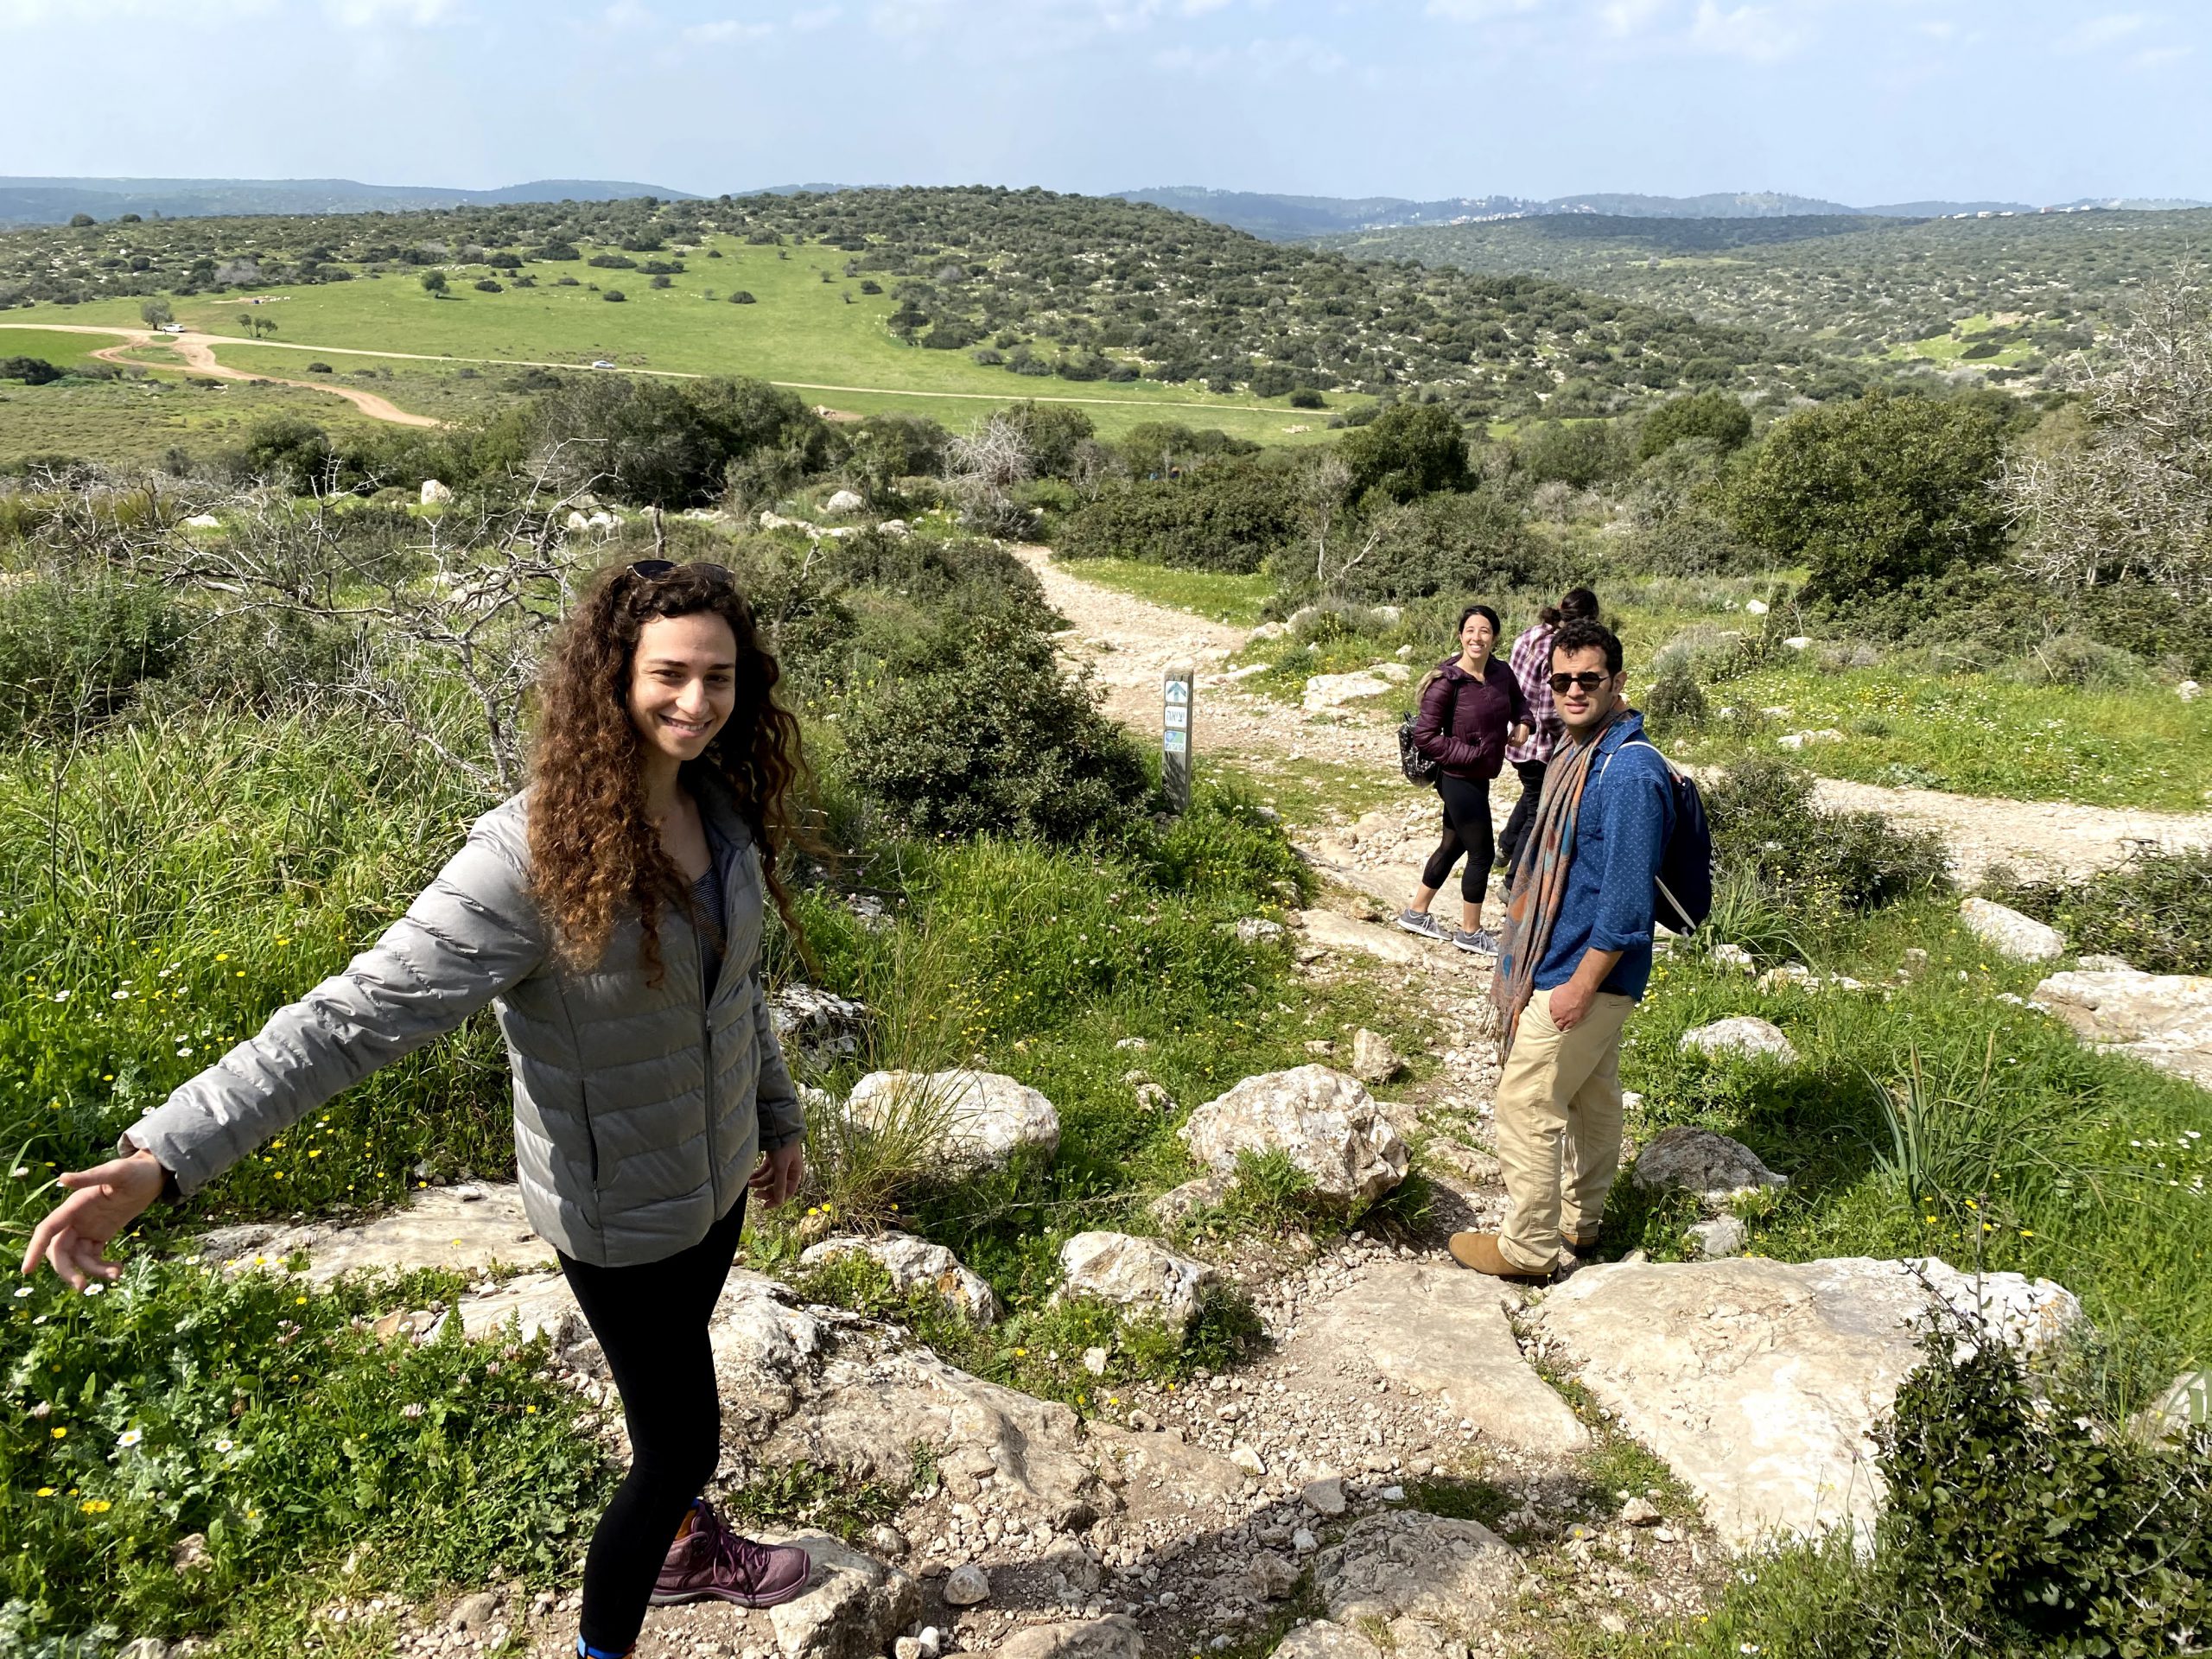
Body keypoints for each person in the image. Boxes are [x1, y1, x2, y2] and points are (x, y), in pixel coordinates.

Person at [22, 560, 817, 1659]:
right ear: (612, 680)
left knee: (666, 1411)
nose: (696, 701)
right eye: (668, 674)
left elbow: (737, 995)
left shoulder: (716, 816)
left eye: (717, 677)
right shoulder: (527, 863)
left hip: (715, 1179)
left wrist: (776, 1120)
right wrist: (165, 1155)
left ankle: (682, 1542)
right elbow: (347, 1021)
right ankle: (609, 1638)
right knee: (680, 1447)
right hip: (620, 1217)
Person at [1450, 616, 1674, 1281]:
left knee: (1526, 1102)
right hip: (1576, 965)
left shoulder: (1628, 772)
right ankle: (1581, 1220)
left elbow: (1628, 904)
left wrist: (1580, 985)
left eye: (1589, 679)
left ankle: (1526, 1249)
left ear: (1617, 682)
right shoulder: (1580, 755)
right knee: (1592, 1096)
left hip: (1586, 975)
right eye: (1562, 680)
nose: (1574, 690)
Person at [1397, 604, 1531, 956]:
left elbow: (1520, 703)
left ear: (1494, 637)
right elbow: (1425, 737)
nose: (1477, 637)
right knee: (1482, 853)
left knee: (1453, 845)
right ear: (1460, 636)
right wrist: (1471, 754)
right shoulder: (1447, 682)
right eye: (1470, 630)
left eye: (1484, 631)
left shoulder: (1501, 673)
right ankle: (1470, 932)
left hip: (1480, 775)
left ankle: (1416, 912)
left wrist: (1524, 723)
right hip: (1457, 776)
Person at [1497, 588, 1599, 884]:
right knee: (1537, 812)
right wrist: (1575, 739)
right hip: (1537, 743)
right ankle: (1513, 882)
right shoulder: (1559, 651)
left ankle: (1505, 847)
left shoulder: (1532, 634)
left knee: (1532, 793)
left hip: (1515, 734)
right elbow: (1548, 712)